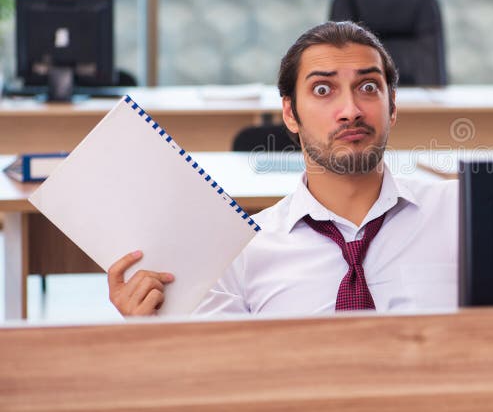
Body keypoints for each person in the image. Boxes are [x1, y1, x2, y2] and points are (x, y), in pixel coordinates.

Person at [108, 21, 459, 316]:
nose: (350, 109)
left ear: (392, 106)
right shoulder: (241, 253)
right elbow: (215, 375)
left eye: (368, 87)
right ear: (290, 113)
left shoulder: (460, 214)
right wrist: (150, 323)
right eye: (323, 89)